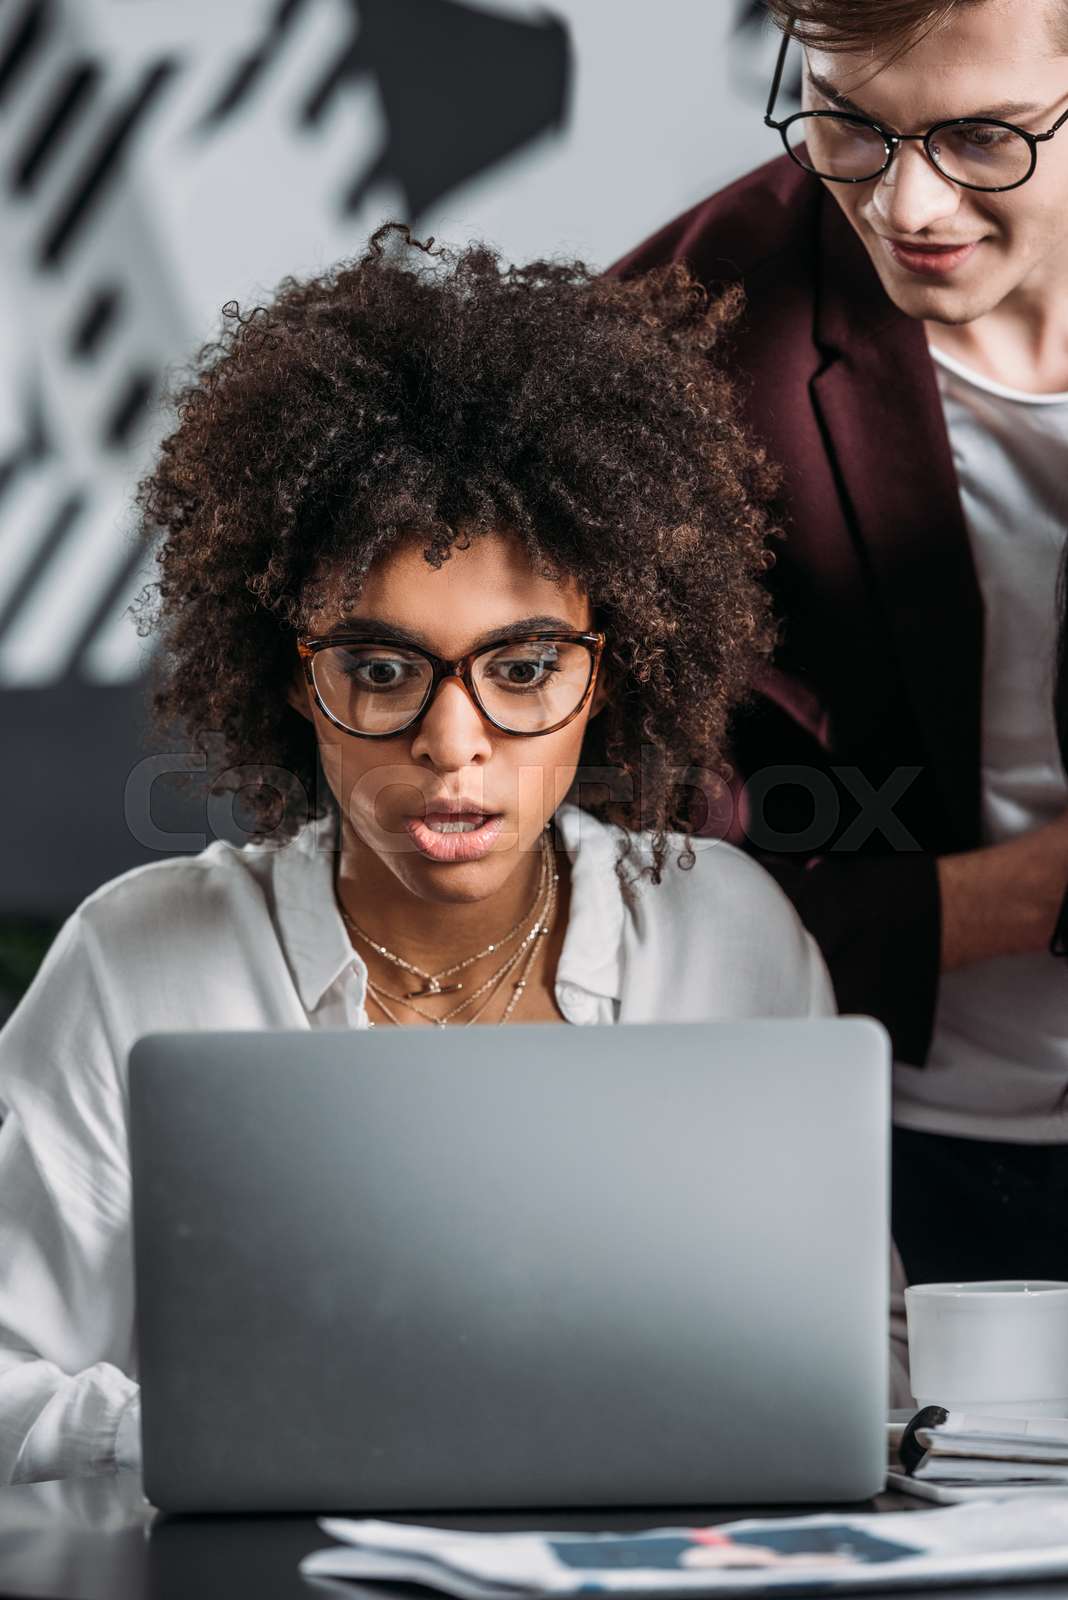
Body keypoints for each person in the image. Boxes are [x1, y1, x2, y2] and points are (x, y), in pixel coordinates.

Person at [0, 227, 848, 1486]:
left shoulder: (725, 930)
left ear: (606, 668)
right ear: (291, 676)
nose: (454, 747)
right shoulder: (133, 963)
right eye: (382, 669)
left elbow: (852, 1370)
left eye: (520, 669)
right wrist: (221, 1435)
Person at [613, 0, 1068, 1286]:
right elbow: (600, 880)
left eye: (985, 139)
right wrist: (1022, 896)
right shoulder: (663, 357)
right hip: (850, 1155)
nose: (908, 206)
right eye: (847, 123)